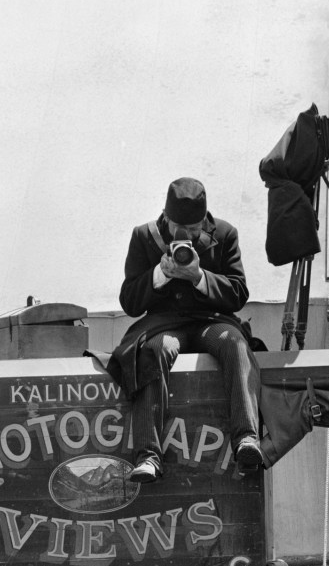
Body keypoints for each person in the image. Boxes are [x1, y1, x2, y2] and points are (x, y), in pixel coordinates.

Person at [106, 177, 265, 482]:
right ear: (165, 217)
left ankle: (247, 438)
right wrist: (159, 275)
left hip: (210, 321)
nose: (187, 236)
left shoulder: (226, 233)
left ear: (205, 221)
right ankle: (148, 456)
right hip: (165, 323)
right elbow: (129, 301)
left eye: (193, 230)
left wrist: (199, 276)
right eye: (180, 227)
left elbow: (238, 293)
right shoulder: (144, 236)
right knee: (154, 350)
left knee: (234, 342)